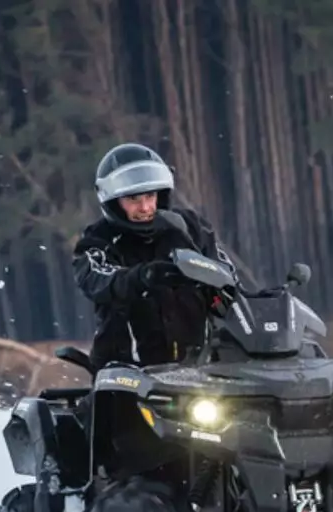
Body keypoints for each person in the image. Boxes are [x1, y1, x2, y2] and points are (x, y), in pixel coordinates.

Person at [72, 142, 234, 372]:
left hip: (201, 367)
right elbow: (95, 278)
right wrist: (142, 277)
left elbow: (226, 275)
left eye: (150, 196)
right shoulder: (99, 240)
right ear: (113, 202)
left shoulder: (189, 227)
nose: (145, 207)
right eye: (133, 200)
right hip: (127, 372)